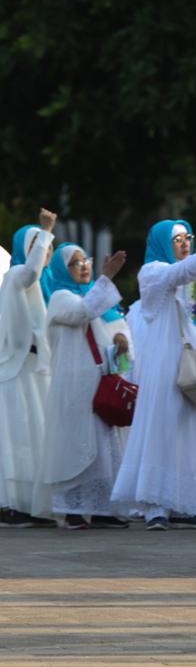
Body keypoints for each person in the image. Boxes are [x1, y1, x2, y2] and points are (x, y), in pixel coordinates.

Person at [111, 217, 196, 530]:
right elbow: (179, 272)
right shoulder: (152, 273)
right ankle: (155, 507)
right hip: (163, 365)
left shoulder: (195, 279)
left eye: (188, 237)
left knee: (193, 433)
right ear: (163, 243)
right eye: (178, 240)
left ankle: (187, 505)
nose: (185, 243)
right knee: (161, 430)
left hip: (193, 365)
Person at [37, 243, 131, 528]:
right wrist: (106, 278)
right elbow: (82, 313)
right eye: (75, 263)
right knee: (74, 446)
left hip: (97, 385)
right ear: (61, 270)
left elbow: (105, 339)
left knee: (102, 448)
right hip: (73, 386)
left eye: (85, 260)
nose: (84, 266)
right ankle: (73, 510)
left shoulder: (99, 302)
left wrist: (120, 347)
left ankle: (103, 510)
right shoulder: (60, 298)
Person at [0, 210, 59, 528]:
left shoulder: (47, 285)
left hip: (37, 370)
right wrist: (47, 230)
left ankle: (34, 506)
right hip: (16, 369)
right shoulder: (17, 276)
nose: (46, 250)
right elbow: (30, 272)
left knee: (38, 437)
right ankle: (12, 505)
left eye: (49, 245)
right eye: (38, 244)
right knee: (18, 438)